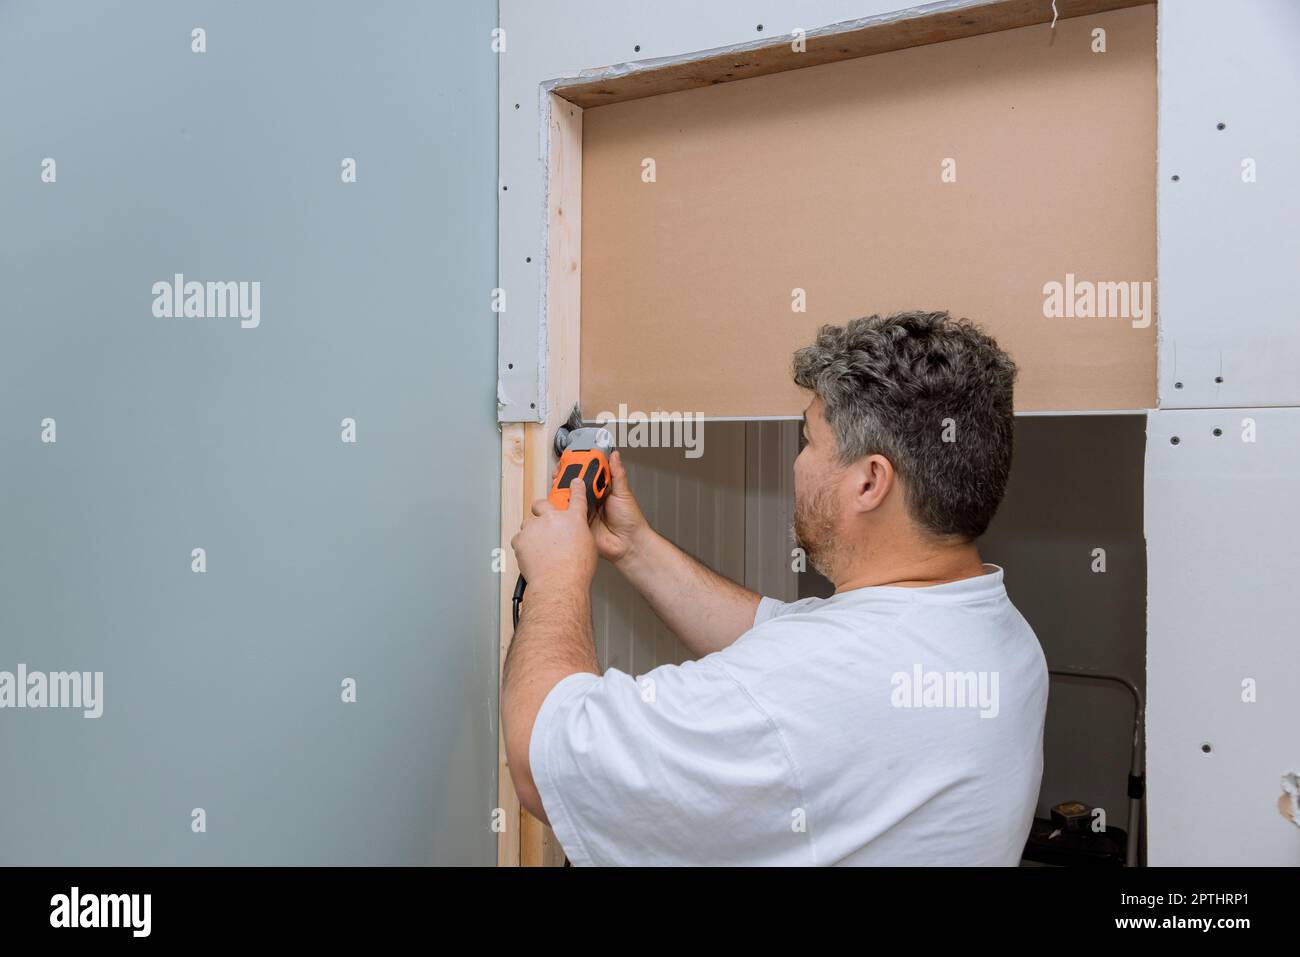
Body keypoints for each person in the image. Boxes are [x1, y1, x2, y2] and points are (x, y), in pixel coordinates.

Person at [503, 311, 1048, 865]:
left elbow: (542, 760)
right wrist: (634, 546)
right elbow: (782, 637)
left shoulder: (815, 685)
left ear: (869, 481)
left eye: (808, 441)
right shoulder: (997, 631)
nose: (797, 463)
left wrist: (556, 579)